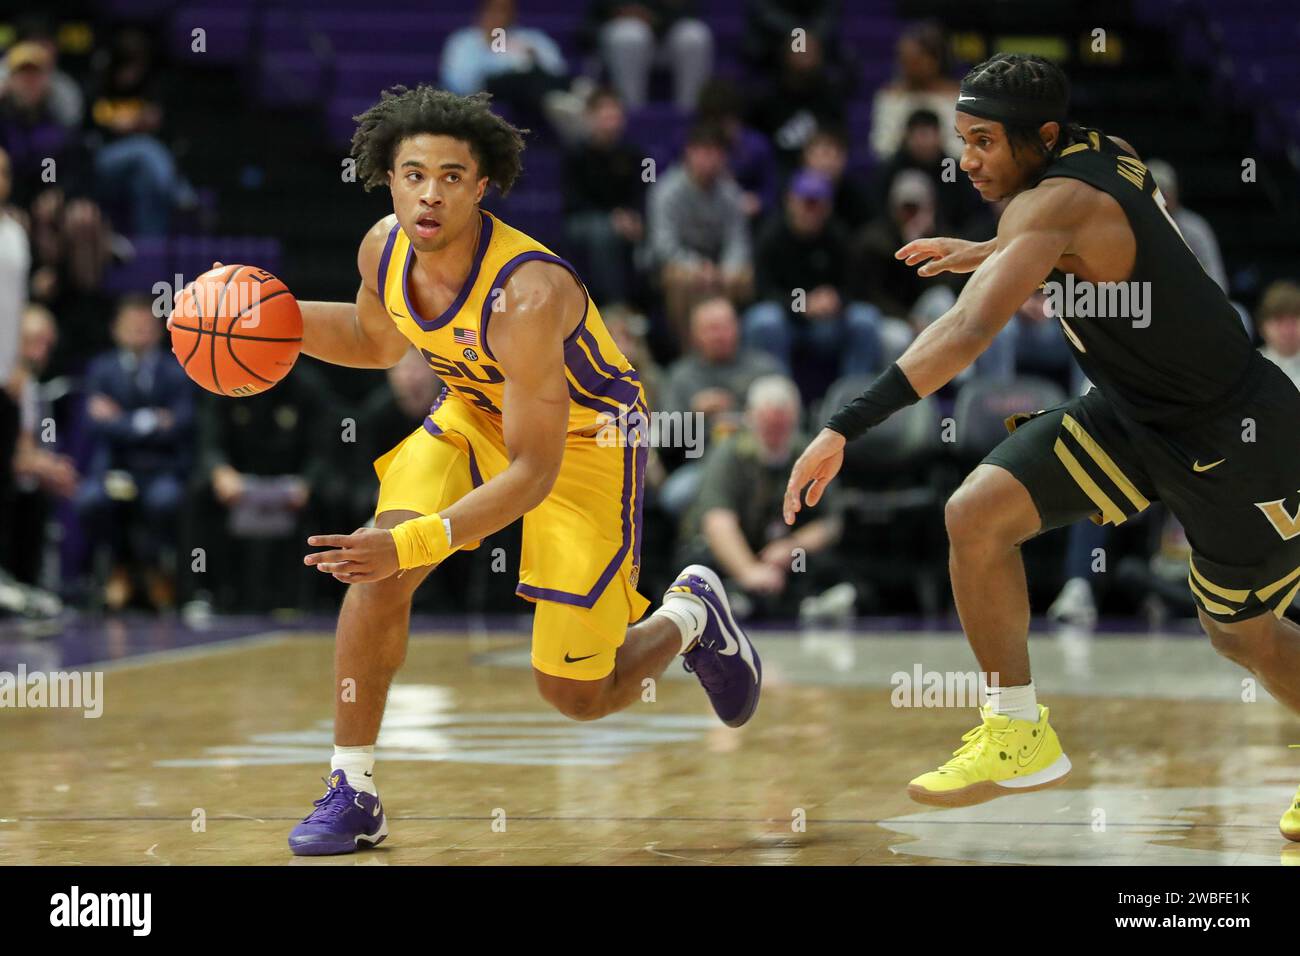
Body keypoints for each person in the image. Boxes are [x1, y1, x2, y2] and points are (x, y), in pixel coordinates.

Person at [172, 86, 762, 855]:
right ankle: (353, 789)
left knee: (576, 694)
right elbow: (372, 337)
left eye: (452, 176)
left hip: (581, 448)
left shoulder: (526, 294)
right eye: (414, 173)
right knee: (373, 570)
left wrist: (416, 544)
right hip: (469, 413)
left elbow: (533, 473)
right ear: (388, 177)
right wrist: (263, 320)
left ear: (482, 186)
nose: (430, 193)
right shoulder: (382, 249)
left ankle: (690, 617)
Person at [783, 53, 1300, 842]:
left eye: (986, 141)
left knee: (1242, 635)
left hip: (1236, 432)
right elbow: (1095, 244)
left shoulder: (1054, 202)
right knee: (976, 514)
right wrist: (991, 251)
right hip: (1131, 413)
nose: (969, 160)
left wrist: (841, 425)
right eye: (963, 139)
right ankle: (1018, 732)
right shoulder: (1101, 154)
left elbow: (965, 330)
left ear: (1042, 137)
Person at [678, 374, 845, 618]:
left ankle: (808, 602)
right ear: (751, 418)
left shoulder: (807, 453)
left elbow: (830, 522)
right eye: (768, 425)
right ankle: (731, 600)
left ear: (795, 419)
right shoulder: (729, 455)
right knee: (701, 563)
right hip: (734, 550)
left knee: (814, 561)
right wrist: (748, 572)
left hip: (781, 552)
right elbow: (718, 522)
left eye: (782, 425)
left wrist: (792, 547)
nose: (775, 433)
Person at [77, 295, 194, 610]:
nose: (139, 333)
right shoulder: (101, 370)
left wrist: (121, 420)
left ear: (158, 330)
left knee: (164, 501)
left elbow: (182, 422)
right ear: (115, 330)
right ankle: (119, 567)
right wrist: (153, 420)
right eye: (131, 327)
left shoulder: (178, 370)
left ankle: (155, 568)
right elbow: (93, 422)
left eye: (145, 327)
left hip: (161, 468)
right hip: (115, 467)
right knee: (91, 500)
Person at [744, 169, 885, 390]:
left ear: (828, 206)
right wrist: (801, 304)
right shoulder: (771, 236)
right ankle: (780, 399)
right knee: (764, 320)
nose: (811, 211)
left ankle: (852, 403)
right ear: (791, 201)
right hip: (788, 322)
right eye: (805, 203)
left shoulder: (839, 236)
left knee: (866, 319)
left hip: (831, 321)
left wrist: (836, 299)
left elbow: (857, 287)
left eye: (817, 204)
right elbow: (762, 290)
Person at [647, 121, 753, 341]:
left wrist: (728, 268)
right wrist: (696, 267)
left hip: (717, 264)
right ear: (689, 153)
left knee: (742, 277)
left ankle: (729, 347)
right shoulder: (667, 190)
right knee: (683, 280)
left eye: (717, 153)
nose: (711, 160)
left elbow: (738, 241)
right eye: (705, 152)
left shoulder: (731, 193)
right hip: (675, 265)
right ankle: (689, 352)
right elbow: (663, 245)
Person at [561, 88, 645, 307]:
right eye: (605, 116)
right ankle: (613, 305)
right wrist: (612, 215)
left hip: (624, 219)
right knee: (603, 232)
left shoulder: (636, 155)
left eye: (615, 116)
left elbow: (643, 191)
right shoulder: (575, 154)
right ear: (591, 117)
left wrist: (635, 217)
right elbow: (572, 200)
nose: (611, 122)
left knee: (651, 231)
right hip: (584, 219)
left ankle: (644, 306)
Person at [585, 0, 713, 111]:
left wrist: (659, 14)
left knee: (694, 36)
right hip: (622, 31)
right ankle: (630, 112)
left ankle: (690, 112)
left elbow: (688, 12)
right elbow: (599, 11)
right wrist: (628, 11)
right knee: (631, 35)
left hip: (665, 30)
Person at [1145, 158, 1228, 293]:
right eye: (1154, 194)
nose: (1161, 200)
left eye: (1165, 194)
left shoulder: (1196, 229)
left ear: (1176, 194)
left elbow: (1219, 282)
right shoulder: (1131, 226)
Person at [1256, 280, 1300, 389]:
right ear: (1262, 326)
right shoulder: (1252, 367)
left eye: (1294, 319)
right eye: (1278, 320)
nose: (1287, 330)